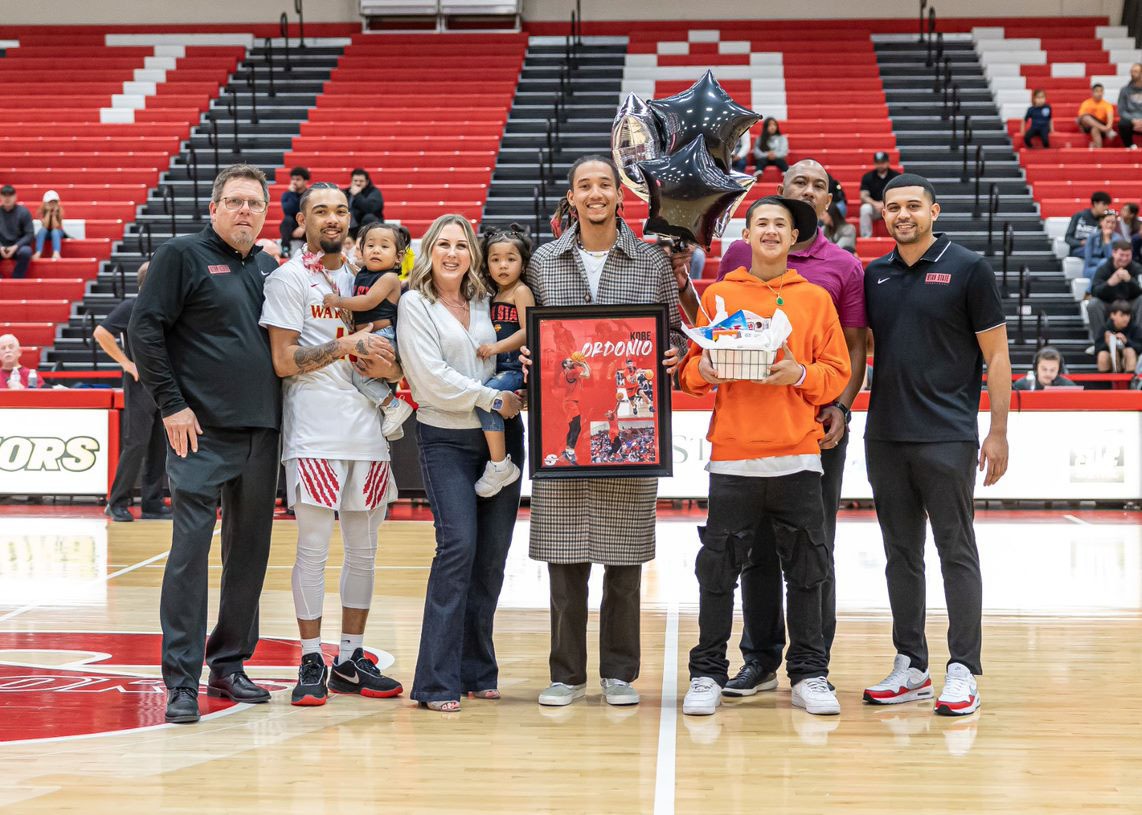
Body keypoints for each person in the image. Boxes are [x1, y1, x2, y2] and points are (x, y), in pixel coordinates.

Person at [524, 154, 687, 708]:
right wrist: (529, 356)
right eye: (584, 186)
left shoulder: (651, 262)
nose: (595, 193)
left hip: (628, 422)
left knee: (624, 564)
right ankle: (566, 675)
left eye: (604, 185)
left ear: (620, 195)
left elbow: (675, 333)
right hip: (564, 425)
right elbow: (531, 334)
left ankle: (619, 673)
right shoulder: (543, 262)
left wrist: (673, 353)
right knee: (564, 564)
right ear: (571, 197)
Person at [678, 195, 851, 718]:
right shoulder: (721, 294)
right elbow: (690, 372)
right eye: (761, 224)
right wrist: (703, 371)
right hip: (733, 456)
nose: (771, 231)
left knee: (808, 571)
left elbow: (837, 374)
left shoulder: (815, 299)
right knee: (717, 571)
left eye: (780, 224)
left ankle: (810, 673)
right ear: (747, 235)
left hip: (798, 455)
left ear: (794, 237)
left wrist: (800, 374)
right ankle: (707, 673)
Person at [128, 164, 283, 725]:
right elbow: (144, 329)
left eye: (255, 203)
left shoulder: (268, 268)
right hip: (199, 433)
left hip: (262, 431)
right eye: (235, 201)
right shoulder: (181, 255)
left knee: (249, 556)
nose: (245, 211)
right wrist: (171, 405)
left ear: (266, 214)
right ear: (214, 208)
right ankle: (180, 680)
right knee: (189, 556)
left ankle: (229, 663)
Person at [862, 173, 1010, 717]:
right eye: (893, 207)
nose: (902, 215)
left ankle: (963, 669)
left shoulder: (969, 268)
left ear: (934, 211)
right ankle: (912, 666)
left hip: (948, 435)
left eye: (913, 206)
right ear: (882, 214)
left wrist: (997, 431)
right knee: (900, 555)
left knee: (955, 551)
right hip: (885, 435)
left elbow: (997, 356)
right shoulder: (874, 274)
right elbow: (863, 349)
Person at [719, 159, 869, 700]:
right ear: (780, 192)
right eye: (798, 183)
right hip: (749, 429)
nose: (807, 190)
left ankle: (813, 664)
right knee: (755, 549)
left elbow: (854, 347)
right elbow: (718, 328)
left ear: (829, 201)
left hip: (816, 426)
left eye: (818, 185)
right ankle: (759, 660)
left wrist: (842, 407)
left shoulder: (844, 265)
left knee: (813, 546)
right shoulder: (739, 256)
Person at [260, 182, 405, 708]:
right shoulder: (289, 278)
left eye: (341, 210)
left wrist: (392, 366)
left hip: (369, 433)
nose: (333, 219)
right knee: (313, 550)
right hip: (314, 435)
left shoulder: (368, 275)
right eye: (320, 211)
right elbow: (283, 361)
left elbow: (400, 359)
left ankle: (349, 656)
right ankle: (309, 657)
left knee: (364, 553)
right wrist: (344, 344)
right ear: (302, 221)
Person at [397, 214, 525, 712]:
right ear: (429, 251)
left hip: (503, 437)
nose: (452, 253)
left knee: (491, 558)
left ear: (473, 253)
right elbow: (429, 379)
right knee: (458, 549)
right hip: (446, 439)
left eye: (461, 245)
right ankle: (435, 681)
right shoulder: (415, 304)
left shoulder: (485, 299)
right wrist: (492, 399)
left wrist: (521, 383)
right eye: (443, 245)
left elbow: (510, 357)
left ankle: (477, 669)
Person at [321, 220, 415, 440]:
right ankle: (393, 423)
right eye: (370, 245)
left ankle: (393, 406)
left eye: (384, 246)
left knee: (362, 378)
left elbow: (368, 301)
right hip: (368, 337)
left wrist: (338, 301)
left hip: (383, 337)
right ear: (361, 250)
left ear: (398, 257)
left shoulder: (390, 278)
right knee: (369, 378)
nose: (376, 250)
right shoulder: (362, 272)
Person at [94, 262, 169, 523]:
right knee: (136, 444)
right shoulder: (132, 306)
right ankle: (116, 502)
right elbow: (101, 332)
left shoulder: (166, 308)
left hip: (163, 383)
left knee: (159, 445)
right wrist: (126, 363)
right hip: (139, 385)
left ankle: (152, 503)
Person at [473, 224, 534, 497]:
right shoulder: (492, 294)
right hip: (497, 368)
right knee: (485, 398)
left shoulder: (520, 291)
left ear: (523, 263)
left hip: (515, 368)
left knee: (487, 398)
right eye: (495, 259)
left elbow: (528, 330)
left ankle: (499, 464)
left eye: (511, 259)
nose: (503, 265)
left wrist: (496, 347)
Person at [1087, 241, 1142, 341]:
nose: (1124, 259)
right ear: (1114, 253)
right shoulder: (1103, 268)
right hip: (1109, 304)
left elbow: (1140, 290)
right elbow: (1094, 291)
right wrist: (1110, 283)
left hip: (1130, 303)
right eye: (1121, 255)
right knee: (1093, 304)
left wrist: (1130, 280)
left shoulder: (1137, 268)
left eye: (1127, 255)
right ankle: (1100, 341)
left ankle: (1139, 339)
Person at [859, 151, 901, 238]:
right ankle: (866, 238)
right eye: (878, 163)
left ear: (888, 162)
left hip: (891, 207)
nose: (880, 165)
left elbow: (900, 194)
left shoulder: (896, 177)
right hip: (874, 208)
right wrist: (875, 204)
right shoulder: (867, 177)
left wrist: (885, 204)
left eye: (883, 162)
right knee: (865, 208)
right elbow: (863, 195)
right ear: (874, 163)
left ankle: (899, 236)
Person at [1095, 300, 1142, 372]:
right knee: (1102, 355)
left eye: (1128, 315)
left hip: (1129, 360)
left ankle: (1130, 377)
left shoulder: (1135, 328)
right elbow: (1096, 349)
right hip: (1111, 360)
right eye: (1122, 315)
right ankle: (1105, 378)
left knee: (1130, 351)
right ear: (1112, 315)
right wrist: (1107, 343)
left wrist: (1126, 341)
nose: (1126, 318)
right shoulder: (1105, 328)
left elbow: (1140, 347)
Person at [0, 185, 34, 279]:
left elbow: (29, 234)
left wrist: (16, 246)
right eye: (4, 195)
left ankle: (17, 279)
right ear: (0, 197)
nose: (7, 198)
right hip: (1, 246)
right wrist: (0, 247)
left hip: (18, 247)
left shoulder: (24, 212)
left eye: (10, 195)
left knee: (26, 252)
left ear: (15, 197)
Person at [1065, 191, 1111, 258]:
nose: (1106, 207)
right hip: (1078, 249)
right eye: (1104, 204)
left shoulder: (1104, 220)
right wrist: (1081, 243)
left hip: (1096, 250)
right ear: (1095, 203)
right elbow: (1068, 238)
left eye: (1108, 205)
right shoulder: (1079, 216)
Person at [1013, 346, 1078, 390]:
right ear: (1036, 367)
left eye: (1052, 370)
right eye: (1044, 369)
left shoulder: (1069, 387)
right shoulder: (1020, 386)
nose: (1048, 373)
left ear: (1059, 369)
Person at [343, 168, 384, 237]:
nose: (358, 183)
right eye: (355, 181)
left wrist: (357, 195)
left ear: (367, 182)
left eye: (361, 181)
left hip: (365, 226)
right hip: (349, 226)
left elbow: (371, 209)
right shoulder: (346, 192)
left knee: (369, 218)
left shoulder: (374, 192)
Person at [279, 166, 309, 255]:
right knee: (287, 220)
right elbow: (288, 211)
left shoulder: (310, 195)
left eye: (298, 179)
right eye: (293, 179)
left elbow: (312, 213)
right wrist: (292, 193)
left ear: (305, 181)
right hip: (292, 226)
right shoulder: (287, 194)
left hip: (306, 226)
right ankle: (285, 248)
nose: (294, 182)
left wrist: (304, 227)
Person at [1077, 83, 1116, 149]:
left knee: (1095, 129)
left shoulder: (1107, 105)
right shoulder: (1086, 103)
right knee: (1086, 117)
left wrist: (1109, 126)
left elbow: (1110, 119)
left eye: (1101, 91)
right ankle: (1105, 130)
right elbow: (1081, 118)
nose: (1099, 93)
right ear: (1092, 92)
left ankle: (1099, 152)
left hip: (1101, 125)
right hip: (1088, 126)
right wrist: (1106, 129)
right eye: (1097, 91)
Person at [1083, 211, 1120, 279]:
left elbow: (1111, 260)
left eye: (1113, 223)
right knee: (1102, 267)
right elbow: (1088, 260)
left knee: (1104, 264)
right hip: (1091, 269)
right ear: (1101, 222)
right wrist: (1100, 263)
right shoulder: (1092, 237)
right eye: (1107, 222)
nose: (1110, 225)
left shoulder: (1118, 239)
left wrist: (1107, 240)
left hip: (1110, 270)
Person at [1116, 62, 1142, 149]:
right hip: (1131, 120)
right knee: (1122, 123)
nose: (1132, 74)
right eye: (1131, 71)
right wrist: (1133, 120)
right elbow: (1121, 110)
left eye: (1135, 71)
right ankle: (1130, 146)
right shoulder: (1124, 90)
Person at [34, 190, 65, 260]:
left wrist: (54, 214)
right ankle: (38, 252)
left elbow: (55, 227)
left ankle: (56, 252)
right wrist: (48, 212)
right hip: (46, 232)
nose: (52, 204)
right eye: (50, 202)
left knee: (55, 231)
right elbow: (45, 226)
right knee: (42, 230)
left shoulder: (60, 210)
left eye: (54, 202)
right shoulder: (41, 211)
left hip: (57, 232)